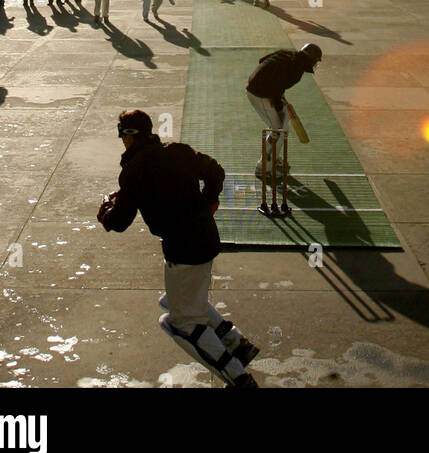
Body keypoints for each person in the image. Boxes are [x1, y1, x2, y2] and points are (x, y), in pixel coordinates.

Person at [97, 109, 259, 389]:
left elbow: (120, 222)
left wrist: (105, 215)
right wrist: (208, 203)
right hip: (206, 236)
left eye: (122, 134)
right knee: (175, 301)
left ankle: (237, 376)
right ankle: (236, 343)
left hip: (183, 249)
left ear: (128, 135)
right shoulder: (178, 151)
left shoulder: (133, 171)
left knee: (180, 322)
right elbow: (215, 171)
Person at [246, 44, 323, 175]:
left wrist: (280, 98)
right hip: (260, 95)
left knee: (282, 127)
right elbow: (277, 85)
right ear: (311, 59)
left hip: (258, 88)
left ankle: (273, 158)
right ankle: (264, 168)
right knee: (279, 131)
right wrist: (278, 103)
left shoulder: (287, 53)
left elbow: (263, 61)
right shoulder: (296, 70)